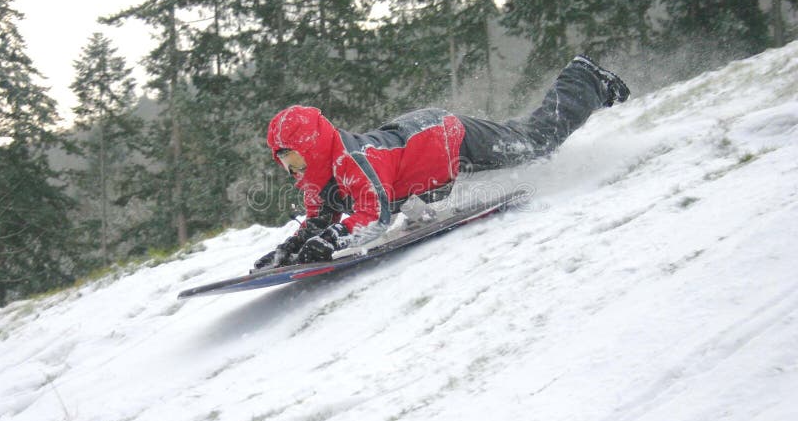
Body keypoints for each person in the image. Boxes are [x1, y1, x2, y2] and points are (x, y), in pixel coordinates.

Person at [254, 54, 629, 268]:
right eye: (282, 160)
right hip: (423, 148)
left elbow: (374, 216)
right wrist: (288, 250)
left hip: (444, 138)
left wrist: (334, 240)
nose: (290, 168)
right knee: (520, 138)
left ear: (314, 147)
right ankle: (585, 85)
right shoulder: (317, 179)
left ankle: (586, 79)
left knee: (532, 144)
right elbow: (321, 217)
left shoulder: (354, 162)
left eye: (292, 157)